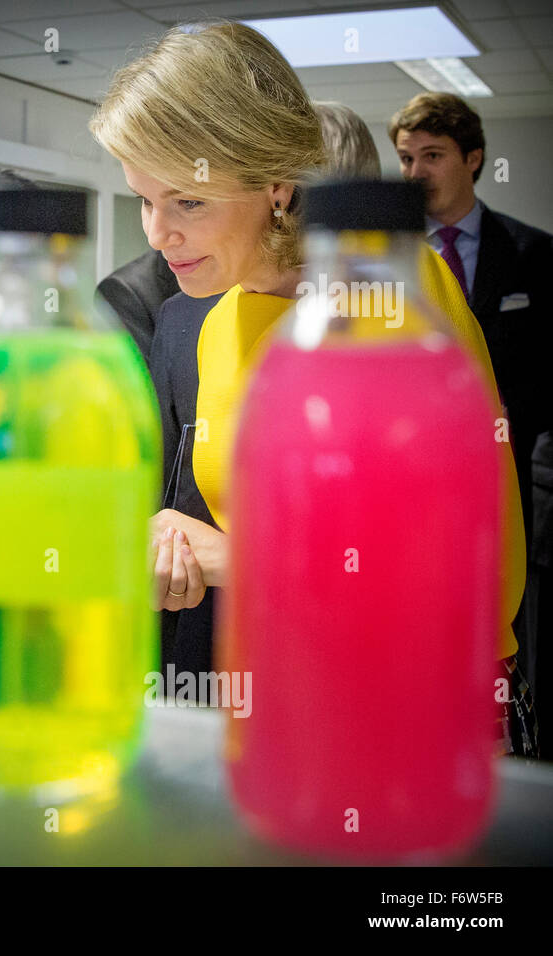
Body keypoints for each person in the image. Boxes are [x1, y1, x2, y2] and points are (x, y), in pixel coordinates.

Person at [88, 21, 536, 754]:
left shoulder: (389, 292)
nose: (157, 233)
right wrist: (170, 543)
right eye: (143, 200)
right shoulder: (217, 321)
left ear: (277, 184)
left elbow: (462, 568)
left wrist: (229, 558)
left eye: (187, 202)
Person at [390, 91, 553, 712]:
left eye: (432, 155)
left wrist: (508, 411)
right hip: (424, 477)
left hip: (518, 471)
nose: (415, 173)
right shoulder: (386, 267)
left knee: (517, 622)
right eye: (406, 158)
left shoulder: (534, 254)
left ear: (474, 159)